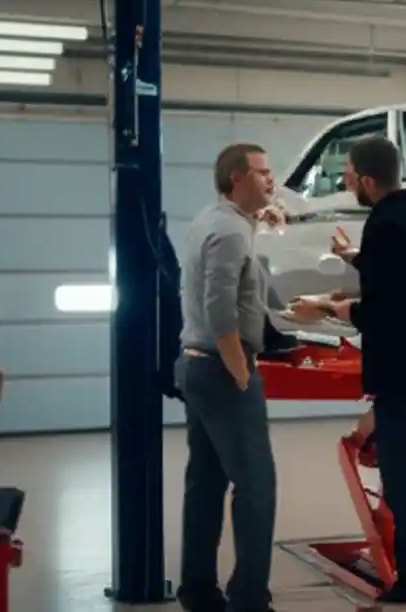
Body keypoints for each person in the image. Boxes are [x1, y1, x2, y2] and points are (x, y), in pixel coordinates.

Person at [287, 136, 406, 612]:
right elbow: (405, 276)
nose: (343, 181)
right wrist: (352, 258)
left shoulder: (384, 225)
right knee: (403, 487)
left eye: (348, 174)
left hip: (404, 376)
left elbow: (382, 309)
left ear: (366, 179)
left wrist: (325, 308)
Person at [174, 142, 278, 612]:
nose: (271, 179)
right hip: (221, 370)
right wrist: (240, 373)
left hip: (195, 366)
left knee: (206, 484)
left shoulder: (213, 220)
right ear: (236, 178)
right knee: (256, 488)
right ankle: (249, 598)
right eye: (262, 172)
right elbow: (220, 311)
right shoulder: (232, 233)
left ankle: (197, 589)